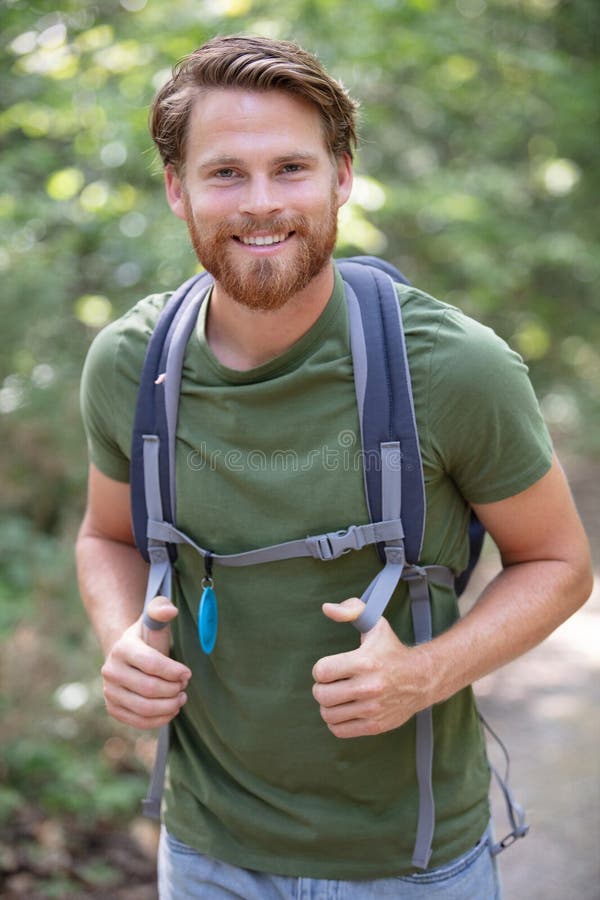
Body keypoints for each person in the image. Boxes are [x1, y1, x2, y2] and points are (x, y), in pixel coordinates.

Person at [76, 34, 592, 899]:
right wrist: (119, 638)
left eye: (291, 168)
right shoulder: (131, 364)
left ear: (341, 177)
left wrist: (423, 674)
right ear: (177, 189)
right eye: (225, 173)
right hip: (206, 853)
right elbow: (105, 536)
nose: (262, 204)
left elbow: (562, 564)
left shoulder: (453, 368)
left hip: (412, 865)